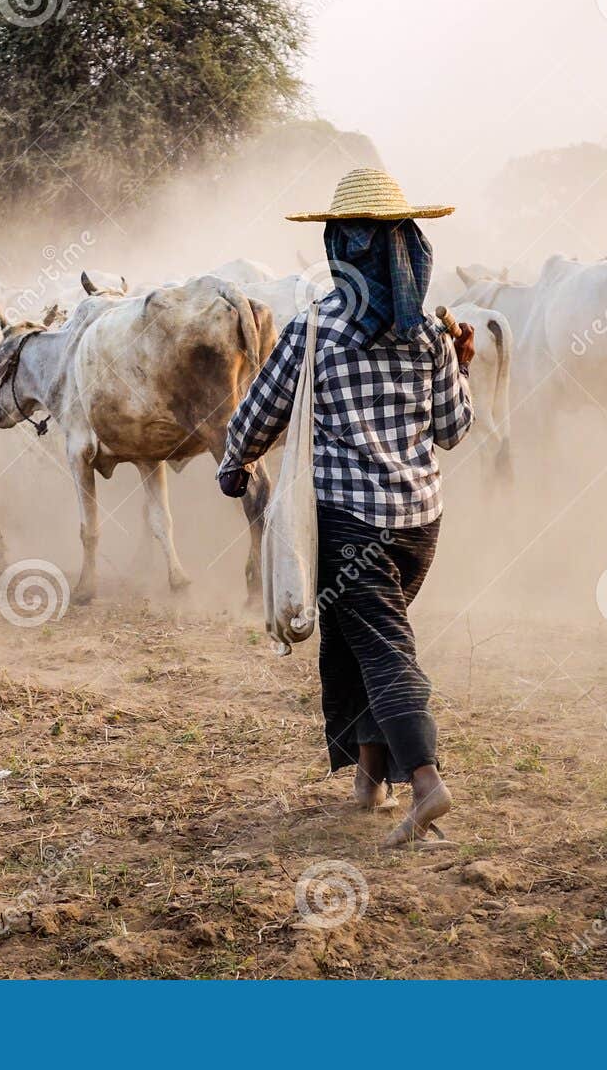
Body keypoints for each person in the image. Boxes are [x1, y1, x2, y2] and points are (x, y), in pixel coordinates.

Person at [217, 167, 475, 847]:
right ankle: (371, 779)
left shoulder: (315, 329)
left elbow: (258, 413)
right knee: (358, 641)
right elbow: (452, 429)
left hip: (348, 523)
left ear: (342, 248)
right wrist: (462, 361)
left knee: (385, 650)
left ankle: (426, 784)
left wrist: (233, 464)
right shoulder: (434, 333)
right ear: (404, 245)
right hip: (421, 523)